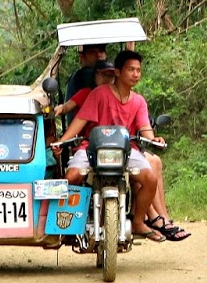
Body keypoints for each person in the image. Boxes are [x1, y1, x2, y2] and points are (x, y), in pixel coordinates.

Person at [55, 49, 187, 241]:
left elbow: (145, 129)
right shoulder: (99, 94)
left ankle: (139, 221)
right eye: (131, 70)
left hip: (125, 151)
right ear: (118, 72)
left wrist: (154, 138)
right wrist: (62, 141)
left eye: (138, 70)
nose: (135, 74)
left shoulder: (139, 101)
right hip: (91, 149)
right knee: (72, 176)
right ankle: (71, 221)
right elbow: (80, 122)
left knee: (150, 178)